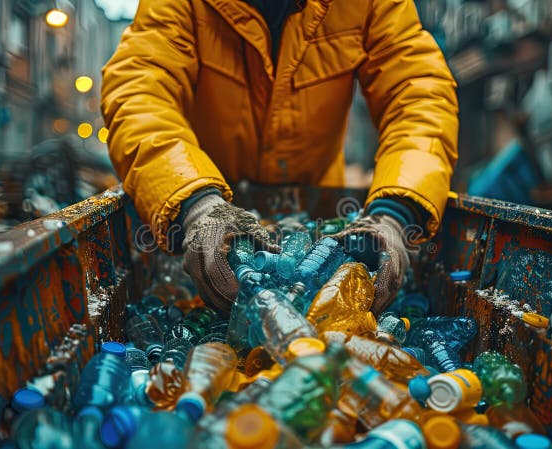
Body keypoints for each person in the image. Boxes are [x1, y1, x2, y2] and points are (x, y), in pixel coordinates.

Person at [101, 0, 459, 316]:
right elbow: (139, 92)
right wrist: (194, 203)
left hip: (322, 227)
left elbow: (419, 97)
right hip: (212, 230)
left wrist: (395, 213)